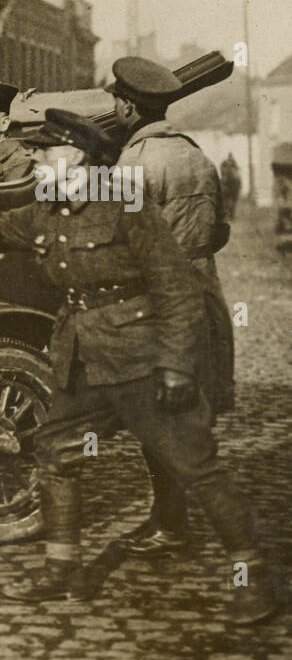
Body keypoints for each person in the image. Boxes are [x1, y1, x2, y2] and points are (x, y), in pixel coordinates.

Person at [0, 109, 277, 625]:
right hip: (82, 357)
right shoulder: (48, 209)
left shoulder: (126, 205)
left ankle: (251, 578)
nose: (34, 159)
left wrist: (176, 368)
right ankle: (63, 568)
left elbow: (178, 289)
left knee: (197, 466)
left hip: (140, 359)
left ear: (74, 156)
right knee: (53, 451)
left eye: (43, 152)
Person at [106, 57, 235, 557]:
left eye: (117, 102)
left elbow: (124, 241)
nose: (114, 109)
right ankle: (169, 518)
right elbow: (220, 231)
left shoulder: (135, 165)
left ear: (128, 107)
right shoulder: (196, 156)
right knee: (184, 411)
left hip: (160, 300)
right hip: (203, 294)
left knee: (160, 418)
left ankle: (178, 526)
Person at [219, 152, 241, 222]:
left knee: (230, 202)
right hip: (230, 186)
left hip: (232, 186)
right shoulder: (228, 164)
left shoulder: (230, 164)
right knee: (230, 202)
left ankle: (230, 215)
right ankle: (230, 216)